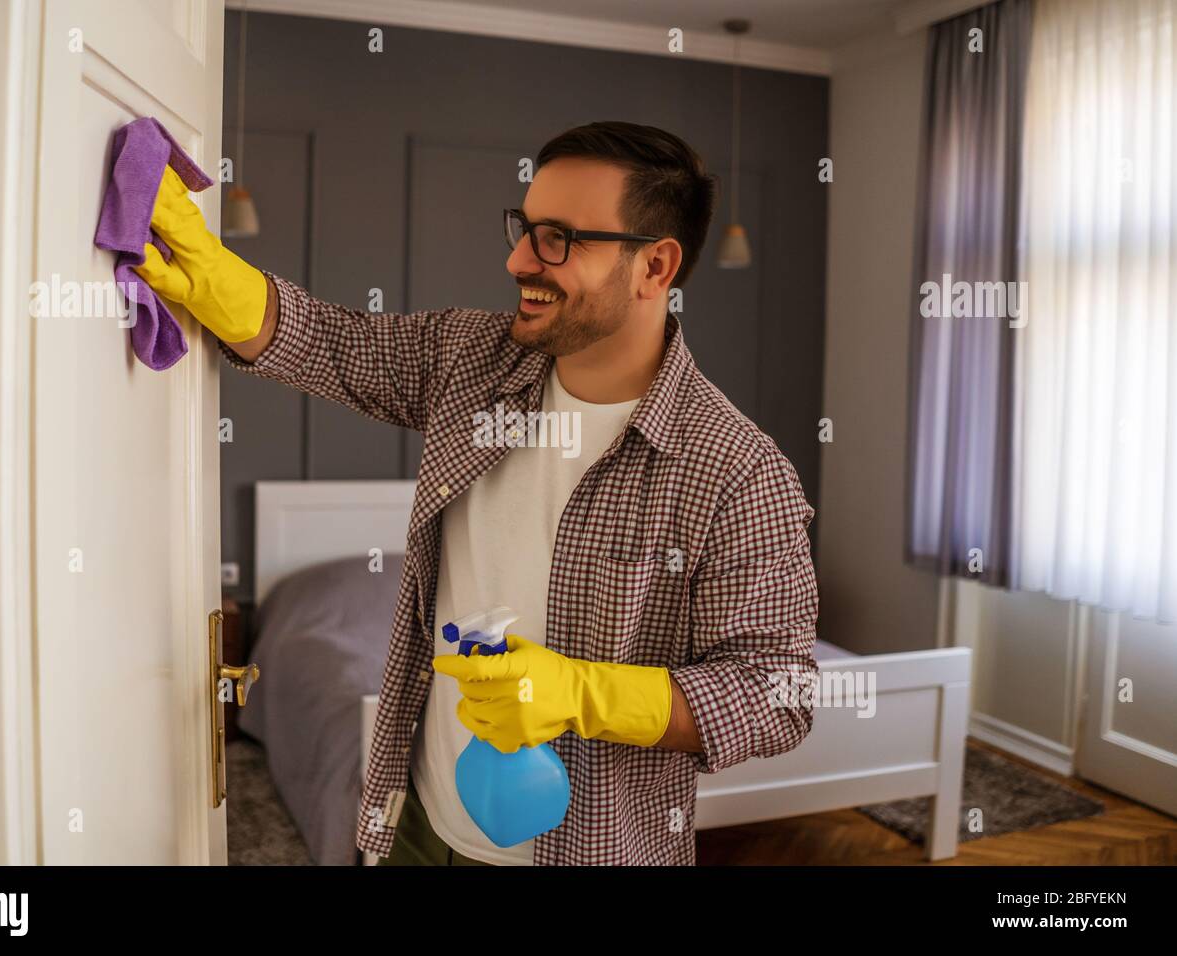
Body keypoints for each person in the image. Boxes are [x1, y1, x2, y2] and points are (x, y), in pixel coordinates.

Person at [133, 120, 820, 866]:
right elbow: (330, 344)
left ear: (655, 267)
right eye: (524, 228)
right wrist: (208, 269)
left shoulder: (738, 472)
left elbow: (779, 693)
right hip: (420, 828)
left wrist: (584, 693)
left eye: (558, 237)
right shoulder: (471, 361)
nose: (519, 257)